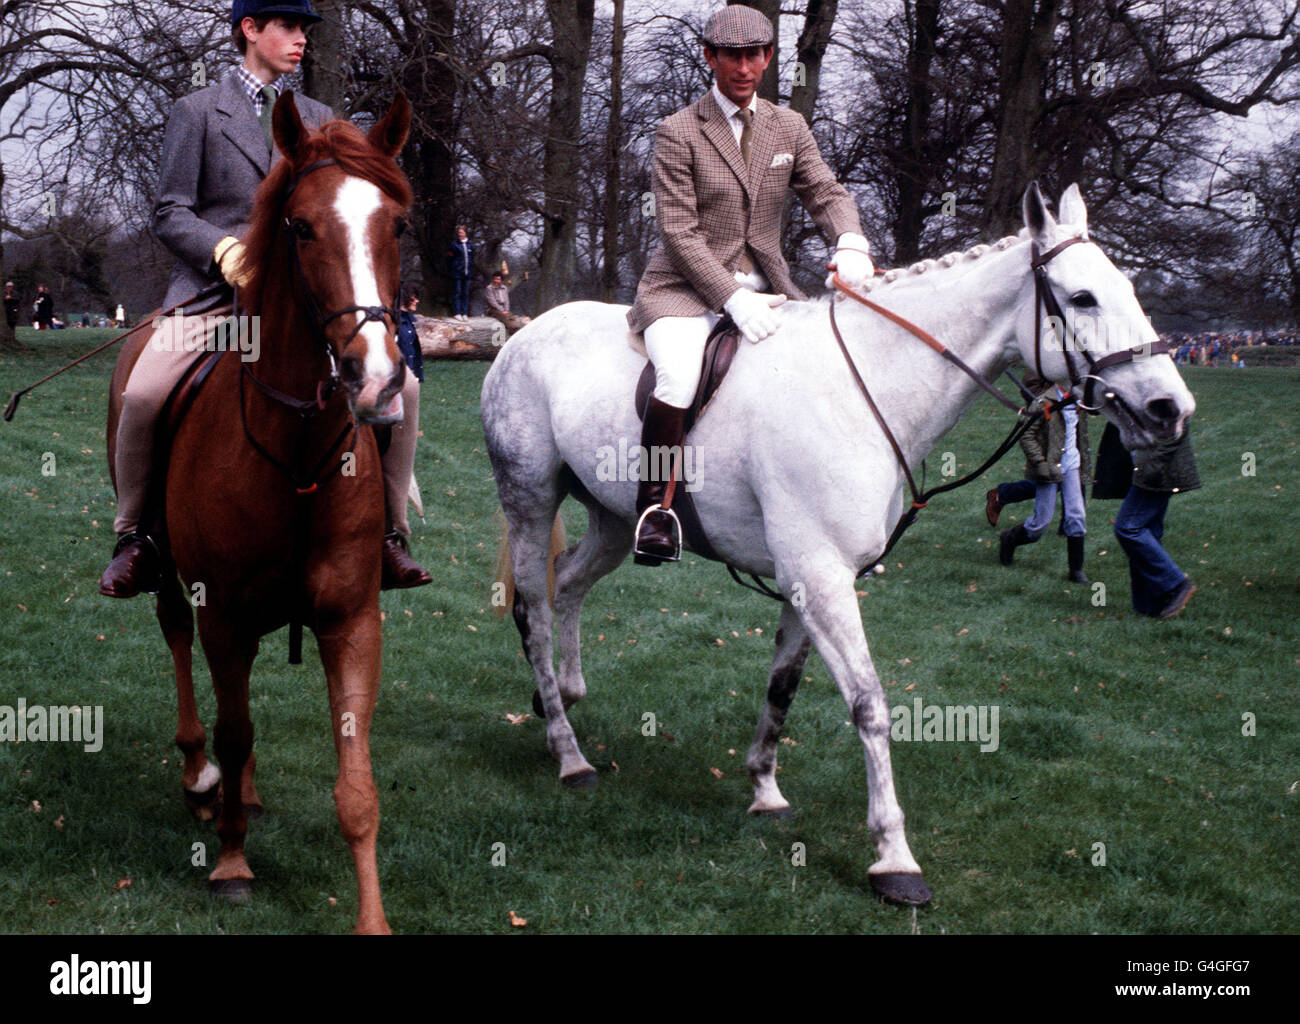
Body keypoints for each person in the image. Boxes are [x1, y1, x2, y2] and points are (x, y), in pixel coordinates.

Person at [100, 0, 430, 598]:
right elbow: (170, 211)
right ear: (250, 30)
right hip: (212, 295)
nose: (300, 38)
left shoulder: (320, 117)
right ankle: (135, 539)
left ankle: (388, 533)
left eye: (304, 28)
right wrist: (223, 250)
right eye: (288, 26)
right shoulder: (195, 111)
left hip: (300, 304)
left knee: (401, 386)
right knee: (144, 391)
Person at [625, 5, 873, 564]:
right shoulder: (678, 131)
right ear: (711, 58)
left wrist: (850, 241)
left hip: (771, 285)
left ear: (767, 58)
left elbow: (826, 193)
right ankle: (654, 508)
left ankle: (832, 510)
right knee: (679, 375)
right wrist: (730, 297)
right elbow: (680, 234)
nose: (744, 67)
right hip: (684, 289)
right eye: (732, 56)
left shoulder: (789, 126)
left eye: (755, 55)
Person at [1093, 421, 1200, 619]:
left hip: (1158, 470)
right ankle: (1148, 606)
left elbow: (1177, 430)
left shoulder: (1161, 392)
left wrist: (1151, 466)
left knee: (1128, 528)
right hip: (1149, 468)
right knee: (1147, 533)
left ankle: (1176, 584)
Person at [997, 375, 1091, 583]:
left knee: (1076, 516)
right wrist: (1040, 463)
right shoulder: (1043, 402)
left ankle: (1076, 570)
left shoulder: (1079, 399)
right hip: (1049, 467)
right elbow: (1027, 436)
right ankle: (1010, 538)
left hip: (1071, 465)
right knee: (1040, 524)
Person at [484, 270, 529, 335]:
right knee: (503, 316)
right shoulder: (489, 288)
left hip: (503, 309)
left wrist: (506, 309)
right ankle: (513, 330)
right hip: (492, 309)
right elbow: (492, 302)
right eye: (495, 279)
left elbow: (506, 300)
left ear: (501, 280)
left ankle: (518, 328)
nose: (496, 281)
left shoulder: (504, 288)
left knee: (512, 316)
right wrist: (502, 310)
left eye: (498, 279)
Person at [446, 225, 473, 321]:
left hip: (467, 273)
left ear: (465, 233)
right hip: (457, 273)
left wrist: (470, 270)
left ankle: (464, 313)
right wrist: (454, 268)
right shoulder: (454, 244)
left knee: (465, 293)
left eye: (462, 232)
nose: (460, 234)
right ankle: (457, 312)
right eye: (459, 232)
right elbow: (449, 258)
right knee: (457, 292)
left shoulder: (470, 244)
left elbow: (472, 258)